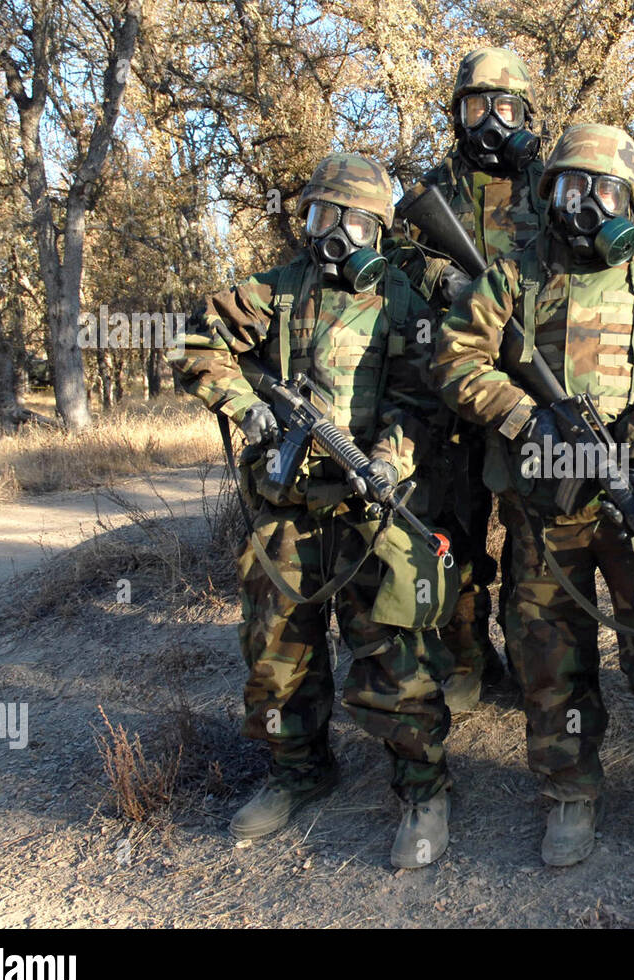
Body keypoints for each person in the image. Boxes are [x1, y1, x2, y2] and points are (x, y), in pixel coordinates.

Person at [434, 124, 634, 875]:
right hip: (541, 510)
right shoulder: (511, 277)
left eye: (602, 190)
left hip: (628, 503)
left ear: (628, 200)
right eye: (570, 188)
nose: (584, 205)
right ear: (549, 196)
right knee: (549, 659)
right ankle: (570, 794)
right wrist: (522, 415)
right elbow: (455, 359)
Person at [168, 153, 458, 867]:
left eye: (352, 220)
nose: (332, 231)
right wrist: (248, 412)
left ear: (379, 230)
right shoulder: (272, 290)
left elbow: (422, 400)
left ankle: (422, 787)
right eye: (321, 215)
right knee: (277, 655)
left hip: (369, 510)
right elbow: (197, 343)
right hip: (286, 511)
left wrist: (387, 461)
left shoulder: (400, 301)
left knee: (396, 654)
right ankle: (296, 772)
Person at [387, 47, 547, 712]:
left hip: (527, 381)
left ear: (526, 113)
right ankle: (466, 657)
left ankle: (535, 657)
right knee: (454, 522)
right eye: (476, 107)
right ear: (458, 115)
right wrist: (442, 279)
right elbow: (395, 252)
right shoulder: (433, 188)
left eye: (504, 107)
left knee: (530, 527)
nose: (490, 122)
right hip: (446, 382)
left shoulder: (552, 181)